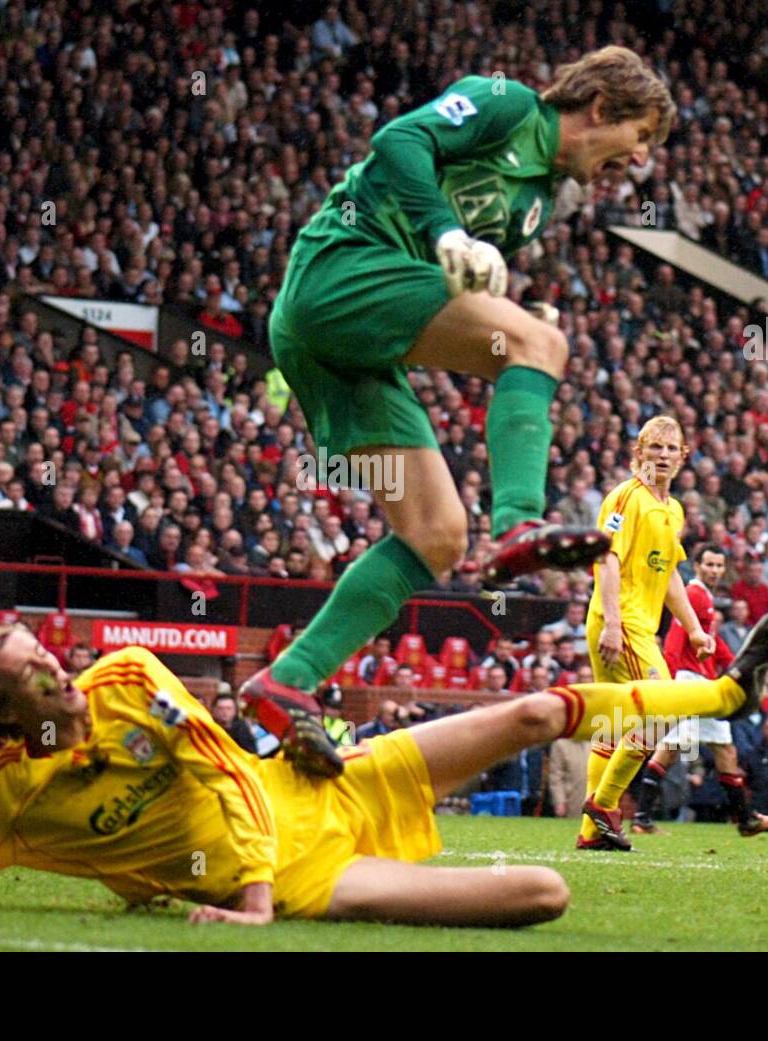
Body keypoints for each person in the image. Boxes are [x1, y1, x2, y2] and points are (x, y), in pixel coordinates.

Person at [0, 612, 768, 923]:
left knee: (529, 709)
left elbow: (215, 766)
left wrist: (245, 887)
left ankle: (722, 694)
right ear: (3, 711)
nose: (57, 670)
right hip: (305, 880)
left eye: (46, 654)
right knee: (545, 892)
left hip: (306, 789)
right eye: (33, 672)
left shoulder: (124, 674)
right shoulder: (14, 798)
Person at [239, 47, 672, 778]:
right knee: (541, 345)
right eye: (640, 140)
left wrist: (501, 302)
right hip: (339, 268)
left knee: (437, 534)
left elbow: (459, 285)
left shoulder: (535, 205)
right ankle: (520, 524)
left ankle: (284, 681)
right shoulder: (506, 104)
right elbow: (399, 141)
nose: (636, 163)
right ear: (601, 108)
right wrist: (447, 234)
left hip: (343, 343)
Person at [577, 416, 714, 851]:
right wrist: (614, 623)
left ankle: (590, 835)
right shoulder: (625, 498)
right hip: (621, 621)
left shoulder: (673, 510)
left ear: (683, 456)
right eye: (654, 447)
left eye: (671, 449)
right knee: (663, 710)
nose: (663, 456)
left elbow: (671, 571)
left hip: (634, 624)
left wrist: (693, 628)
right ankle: (603, 805)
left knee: (613, 724)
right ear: (638, 452)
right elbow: (607, 560)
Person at [633, 545, 768, 837]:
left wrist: (740, 667)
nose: (715, 570)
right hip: (688, 683)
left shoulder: (704, 597)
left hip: (701, 681)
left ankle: (644, 817)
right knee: (689, 747)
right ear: (697, 566)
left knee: (698, 747)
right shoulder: (693, 595)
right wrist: (667, 678)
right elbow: (676, 638)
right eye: (710, 564)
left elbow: (714, 645)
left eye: (719, 565)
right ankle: (744, 819)